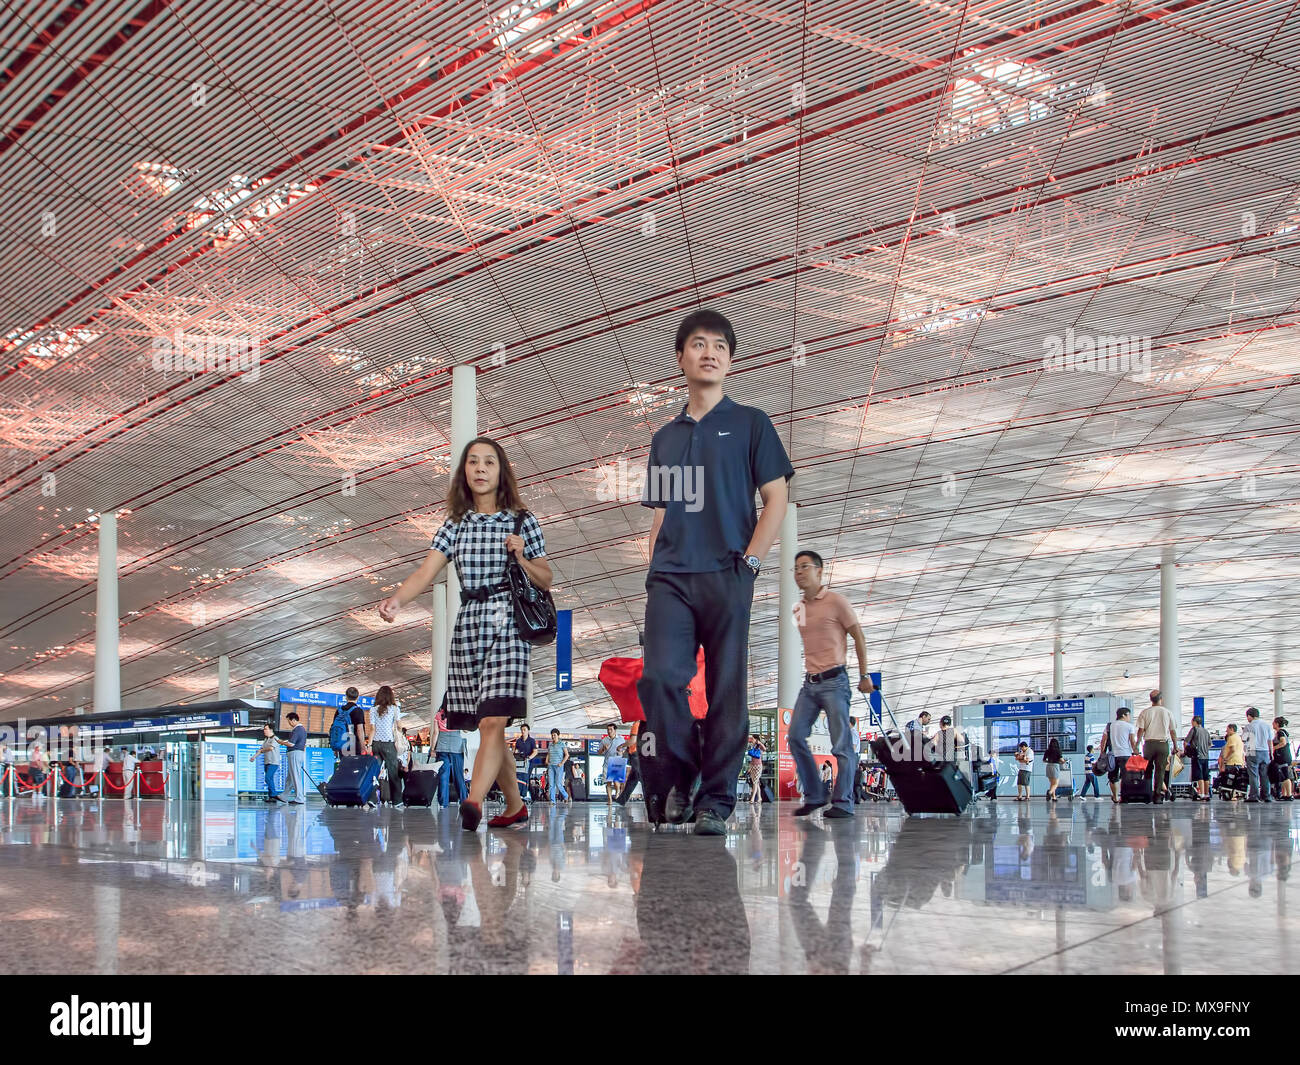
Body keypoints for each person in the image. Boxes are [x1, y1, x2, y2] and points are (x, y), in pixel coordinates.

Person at [636, 308, 794, 836]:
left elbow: (776, 498)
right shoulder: (666, 437)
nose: (710, 353)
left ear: (729, 360)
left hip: (728, 572)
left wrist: (750, 563)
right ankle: (682, 776)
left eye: (720, 346)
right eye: (699, 344)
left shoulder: (751, 423)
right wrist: (654, 565)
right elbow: (662, 511)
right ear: (681, 357)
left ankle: (716, 801)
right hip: (670, 578)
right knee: (659, 678)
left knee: (727, 687)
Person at [378, 436, 552, 832]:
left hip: (510, 623)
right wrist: (397, 600)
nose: (480, 469)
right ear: (464, 472)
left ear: (501, 472)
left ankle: (473, 801)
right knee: (492, 726)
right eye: (473, 462)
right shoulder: (454, 525)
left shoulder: (523, 522)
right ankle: (515, 805)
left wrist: (521, 555)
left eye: (489, 462)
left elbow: (546, 577)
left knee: (493, 721)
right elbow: (426, 571)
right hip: (470, 624)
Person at [787, 549, 872, 819]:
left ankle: (843, 802)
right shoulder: (798, 609)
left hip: (836, 681)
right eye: (796, 568)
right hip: (810, 684)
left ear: (819, 570)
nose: (799, 573)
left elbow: (858, 637)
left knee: (841, 746)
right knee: (795, 735)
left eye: (804, 567)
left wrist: (864, 675)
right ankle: (815, 795)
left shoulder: (837, 602)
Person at [1136, 689, 1179, 805]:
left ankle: (1147, 794)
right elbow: (1173, 731)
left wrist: (1136, 745)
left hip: (1148, 744)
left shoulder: (1145, 712)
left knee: (1147, 770)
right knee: (1160, 771)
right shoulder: (1168, 712)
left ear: (1151, 700)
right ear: (1161, 699)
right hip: (1162, 744)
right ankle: (1157, 796)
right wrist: (1175, 746)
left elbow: (1140, 731)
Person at [368, 686, 404, 806]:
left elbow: (372, 729)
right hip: (388, 744)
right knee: (393, 772)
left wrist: (369, 745)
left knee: (374, 772)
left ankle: (372, 798)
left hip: (376, 744)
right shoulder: (394, 709)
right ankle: (397, 800)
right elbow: (399, 726)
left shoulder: (373, 709)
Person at [1098, 707, 1138, 804]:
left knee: (1113, 777)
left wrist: (1102, 753)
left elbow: (1103, 740)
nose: (1129, 717)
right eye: (1128, 715)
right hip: (1126, 754)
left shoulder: (1110, 726)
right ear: (1123, 715)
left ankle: (1115, 797)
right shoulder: (1129, 726)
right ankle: (1124, 797)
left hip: (1112, 755)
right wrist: (1136, 751)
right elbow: (1132, 741)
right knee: (1126, 777)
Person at [432, 708, 470, 809]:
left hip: (442, 747)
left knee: (443, 776)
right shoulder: (458, 712)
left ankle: (443, 803)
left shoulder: (438, 714)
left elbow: (435, 733)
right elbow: (466, 730)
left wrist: (432, 749)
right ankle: (464, 801)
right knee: (459, 775)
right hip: (457, 747)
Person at [1244, 707, 1273, 803]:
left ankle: (1254, 796)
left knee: (1253, 775)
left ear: (1249, 716)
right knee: (1265, 775)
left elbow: (1245, 740)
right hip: (1265, 751)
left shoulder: (1248, 726)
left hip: (1252, 751)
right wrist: (1271, 753)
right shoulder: (1266, 725)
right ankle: (1266, 796)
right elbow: (1270, 741)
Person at [250, 724, 284, 803]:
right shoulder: (266, 740)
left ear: (271, 730)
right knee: (270, 779)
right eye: (264, 729)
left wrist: (262, 750)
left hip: (273, 762)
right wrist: (254, 757)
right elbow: (261, 749)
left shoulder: (275, 739)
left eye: (266, 729)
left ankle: (274, 794)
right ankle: (271, 797)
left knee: (267, 778)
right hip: (267, 762)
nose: (264, 731)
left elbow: (271, 748)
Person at [1183, 715, 1211, 801]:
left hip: (1197, 755)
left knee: (1200, 776)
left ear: (1195, 722)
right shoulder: (1206, 731)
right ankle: (1207, 794)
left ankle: (1201, 794)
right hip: (1205, 756)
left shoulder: (1194, 729)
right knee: (1206, 776)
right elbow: (1210, 744)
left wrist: (1187, 751)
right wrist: (1204, 750)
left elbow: (1186, 742)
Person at [283, 711, 308, 805]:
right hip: (297, 753)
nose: (289, 723)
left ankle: (299, 798)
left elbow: (291, 743)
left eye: (289, 721)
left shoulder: (297, 729)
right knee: (290, 777)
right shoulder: (302, 729)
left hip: (295, 753)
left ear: (293, 720)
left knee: (295, 777)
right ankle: (284, 796)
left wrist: (281, 742)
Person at [1218, 724, 1246, 801]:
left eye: (1227, 729)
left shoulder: (1232, 737)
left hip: (1232, 762)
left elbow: (1232, 749)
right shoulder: (1239, 738)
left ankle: (1230, 796)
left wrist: (1226, 759)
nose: (1226, 731)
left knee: (1229, 781)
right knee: (1236, 780)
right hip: (1238, 762)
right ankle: (1235, 795)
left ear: (1232, 729)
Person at [598, 724, 623, 804]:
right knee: (608, 782)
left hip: (617, 762)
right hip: (607, 762)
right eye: (608, 729)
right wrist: (603, 748)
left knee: (616, 781)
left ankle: (617, 791)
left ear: (615, 730)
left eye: (611, 729)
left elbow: (625, 750)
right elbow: (599, 752)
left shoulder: (621, 739)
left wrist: (621, 752)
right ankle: (609, 800)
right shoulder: (604, 740)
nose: (609, 731)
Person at [1271, 718, 1293, 801]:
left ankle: (1289, 794)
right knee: (1283, 776)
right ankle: (1285, 794)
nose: (1272, 724)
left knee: (1285, 775)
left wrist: (1273, 748)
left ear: (1277, 724)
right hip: (1284, 757)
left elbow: (1283, 742)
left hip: (1282, 757)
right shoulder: (1282, 732)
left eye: (1273, 723)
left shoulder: (1280, 733)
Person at [546, 728, 570, 804]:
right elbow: (549, 753)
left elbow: (567, 755)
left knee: (558, 784)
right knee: (551, 784)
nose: (553, 736)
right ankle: (552, 800)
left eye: (554, 735)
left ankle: (566, 796)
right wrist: (547, 760)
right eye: (552, 735)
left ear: (558, 736)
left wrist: (561, 763)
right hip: (551, 766)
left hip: (559, 766)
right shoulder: (550, 744)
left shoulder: (562, 744)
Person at [745, 734, 765, 804]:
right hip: (753, 766)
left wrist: (760, 743)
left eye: (752, 738)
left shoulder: (759, 746)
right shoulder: (753, 746)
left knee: (755, 783)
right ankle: (759, 798)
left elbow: (765, 749)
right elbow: (752, 758)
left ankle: (752, 798)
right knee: (756, 782)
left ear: (756, 739)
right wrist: (750, 767)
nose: (751, 739)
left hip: (758, 766)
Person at [1043, 737, 1065, 801]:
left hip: (1048, 766)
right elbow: (1061, 760)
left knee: (1052, 783)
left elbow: (1044, 760)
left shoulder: (1047, 751)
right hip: (1055, 766)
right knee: (1056, 783)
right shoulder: (1058, 751)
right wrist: (1063, 762)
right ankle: (1049, 793)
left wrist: (1049, 761)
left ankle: (1054, 797)